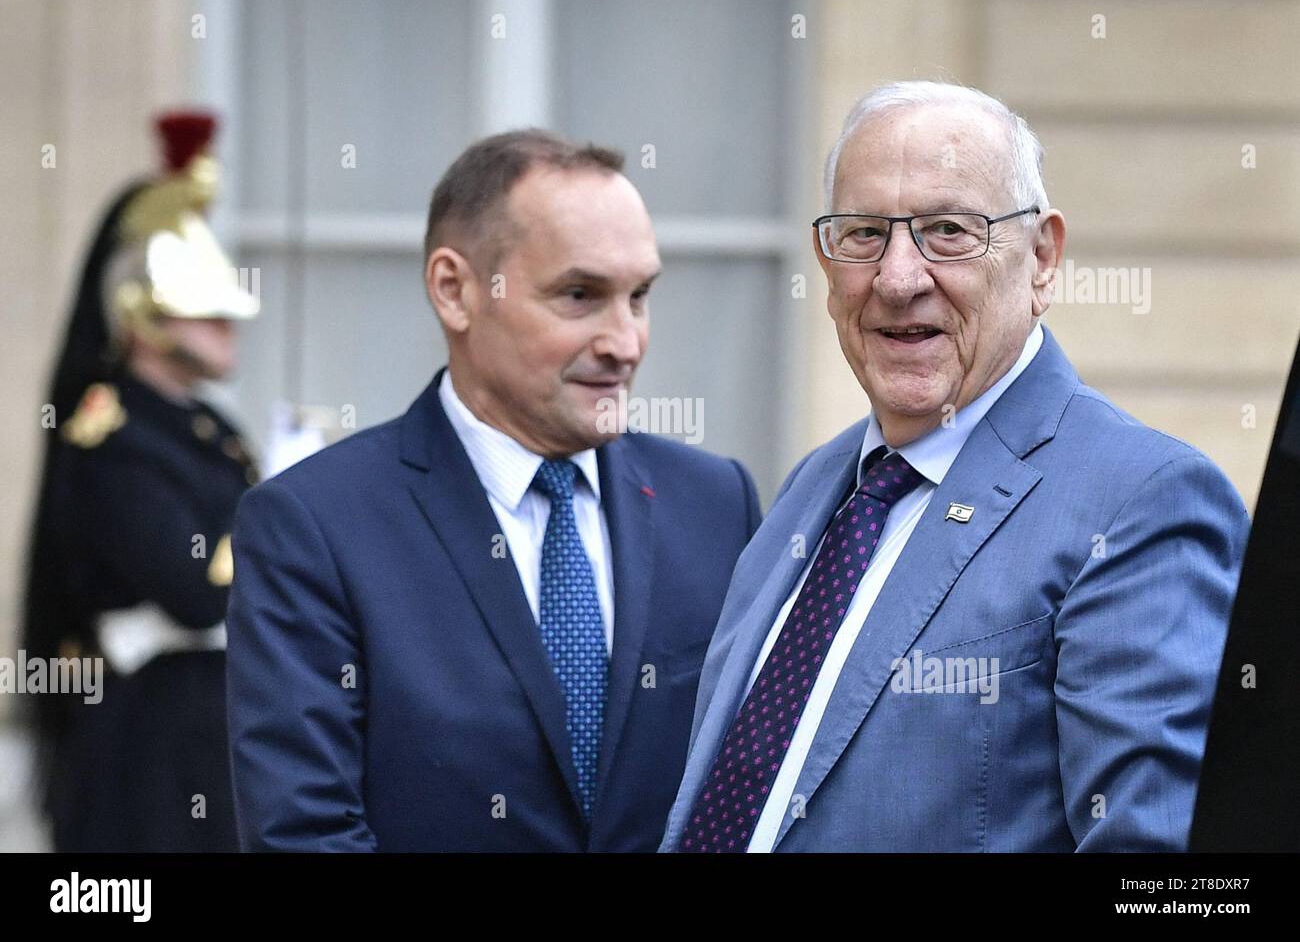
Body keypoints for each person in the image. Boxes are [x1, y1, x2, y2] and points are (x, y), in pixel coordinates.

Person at [661, 81, 1251, 853]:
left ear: (1042, 258)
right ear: (826, 259)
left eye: (947, 231)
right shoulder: (817, 484)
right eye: (865, 233)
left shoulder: (1143, 502)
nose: (898, 279)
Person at [226, 129, 762, 851]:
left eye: (639, 297)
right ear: (455, 290)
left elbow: (752, 790)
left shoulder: (715, 504)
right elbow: (304, 833)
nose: (625, 342)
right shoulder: (313, 526)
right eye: (580, 295)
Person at [22, 111, 259, 851]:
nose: (228, 325)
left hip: (219, 726)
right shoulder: (109, 431)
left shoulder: (212, 430)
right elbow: (194, 589)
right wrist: (282, 510)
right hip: (141, 742)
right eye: (203, 310)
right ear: (142, 314)